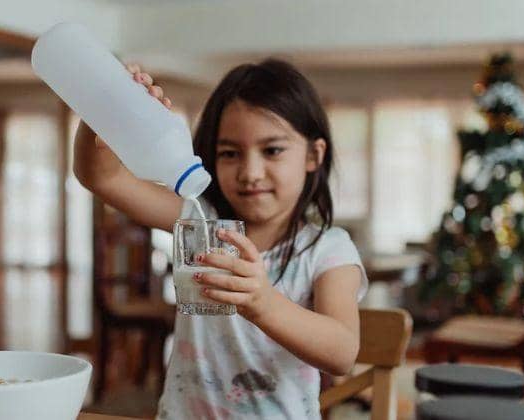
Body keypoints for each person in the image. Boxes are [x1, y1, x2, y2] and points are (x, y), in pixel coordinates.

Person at [74, 58, 368, 419]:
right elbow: (102, 178)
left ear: (313, 155)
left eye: (272, 150)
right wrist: (103, 111)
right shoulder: (201, 221)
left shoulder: (328, 249)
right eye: (230, 153)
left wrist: (263, 303)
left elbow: (342, 353)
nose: (250, 172)